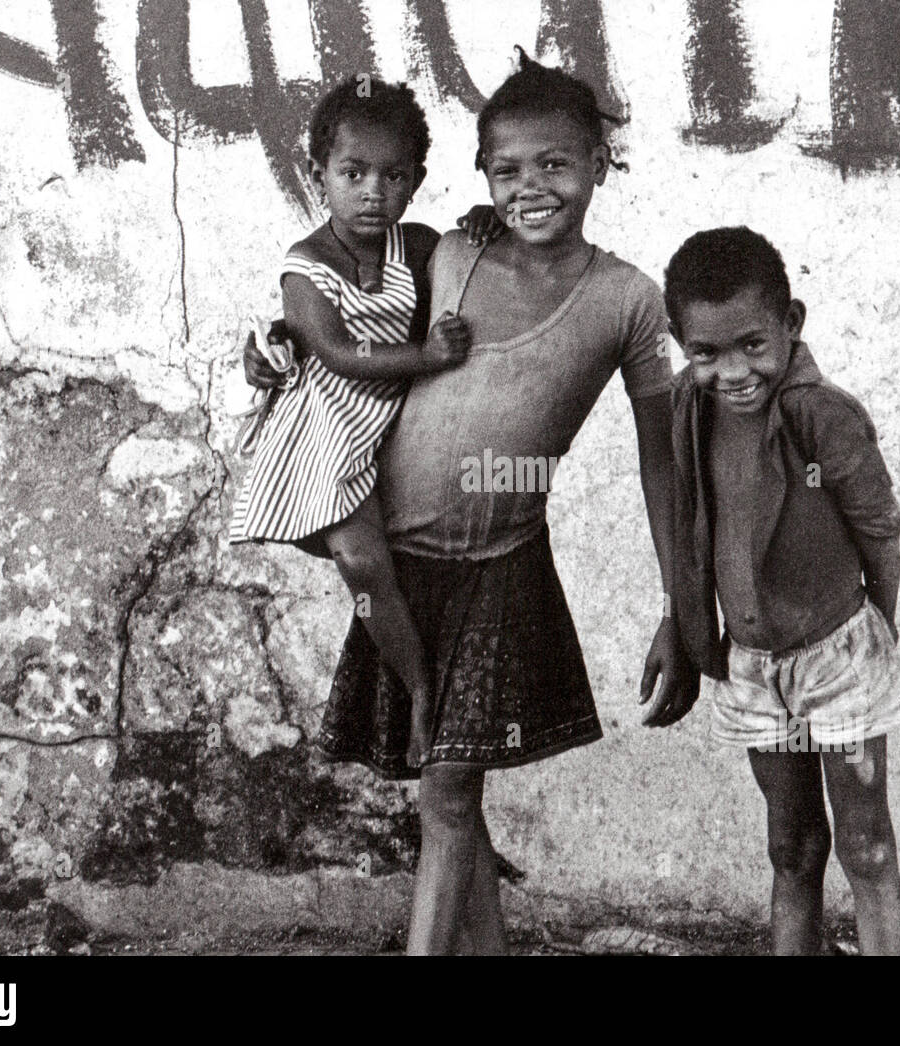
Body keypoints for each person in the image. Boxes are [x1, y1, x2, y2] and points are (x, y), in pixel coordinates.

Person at [283, 49, 699, 954]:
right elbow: (340, 304)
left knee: (448, 790)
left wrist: (679, 606)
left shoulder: (629, 301)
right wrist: (271, 345)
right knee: (452, 792)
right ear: (480, 176)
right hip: (399, 562)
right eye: (506, 169)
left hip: (499, 568)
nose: (530, 188)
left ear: (600, 164)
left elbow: (659, 461)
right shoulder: (450, 249)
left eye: (555, 164)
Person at [230, 76, 498, 768]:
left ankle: (419, 672)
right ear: (318, 175)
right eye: (353, 173)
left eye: (392, 175)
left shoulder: (414, 244)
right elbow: (339, 353)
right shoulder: (308, 264)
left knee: (410, 563)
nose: (372, 192)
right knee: (361, 561)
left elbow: (466, 270)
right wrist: (429, 356)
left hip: (398, 425)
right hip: (331, 428)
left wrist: (478, 227)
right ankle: (419, 687)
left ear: (414, 181)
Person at [664, 226, 900, 954]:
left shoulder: (821, 415)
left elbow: (880, 530)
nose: (733, 372)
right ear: (682, 345)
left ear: (791, 324)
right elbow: (690, 522)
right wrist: (680, 625)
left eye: (751, 345)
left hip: (839, 655)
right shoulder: (689, 407)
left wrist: (879, 630)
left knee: (865, 844)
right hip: (751, 665)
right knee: (791, 847)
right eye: (706, 353)